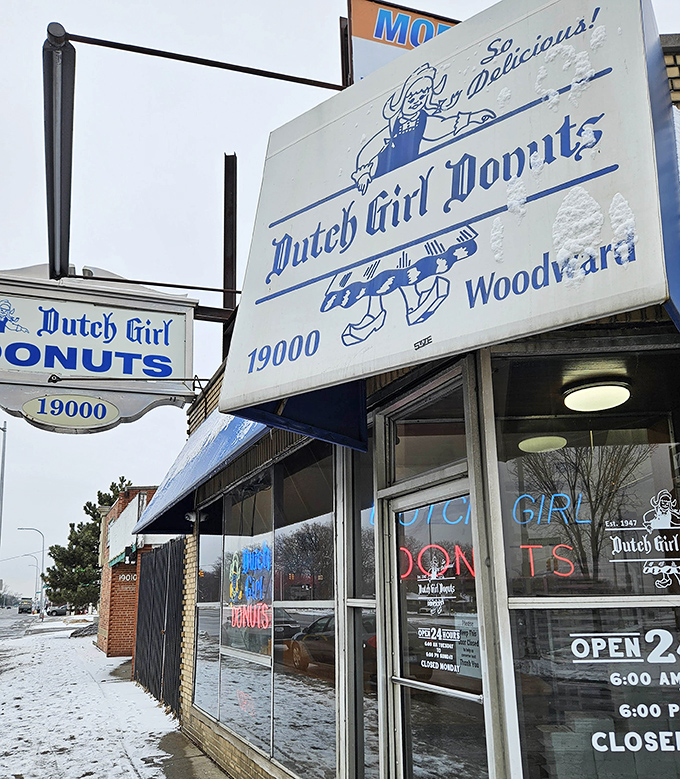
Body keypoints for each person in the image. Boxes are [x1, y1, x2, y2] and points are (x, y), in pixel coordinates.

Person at [352, 63, 495, 195]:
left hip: (408, 180)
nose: (416, 102)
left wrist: (472, 117)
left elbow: (442, 126)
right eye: (411, 98)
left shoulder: (422, 120)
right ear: (402, 99)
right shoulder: (392, 125)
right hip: (382, 178)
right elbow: (367, 151)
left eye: (422, 97)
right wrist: (364, 173)